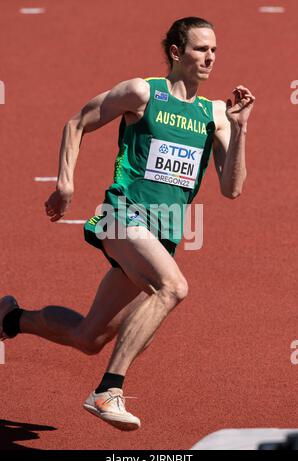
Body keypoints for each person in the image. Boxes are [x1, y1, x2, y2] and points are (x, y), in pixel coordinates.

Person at [0, 17, 255, 431]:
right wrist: (65, 184)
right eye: (200, 49)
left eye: (214, 51)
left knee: (90, 338)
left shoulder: (216, 115)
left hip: (165, 230)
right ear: (176, 52)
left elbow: (232, 188)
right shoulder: (142, 92)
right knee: (173, 287)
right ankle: (108, 390)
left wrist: (241, 128)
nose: (209, 57)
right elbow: (77, 122)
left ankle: (11, 319)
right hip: (122, 214)